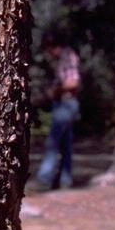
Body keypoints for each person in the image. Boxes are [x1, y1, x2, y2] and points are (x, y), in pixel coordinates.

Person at [30, 31, 80, 190]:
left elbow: (73, 82)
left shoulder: (67, 57)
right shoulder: (64, 58)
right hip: (63, 104)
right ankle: (65, 180)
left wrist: (55, 91)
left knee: (53, 142)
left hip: (66, 104)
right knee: (65, 144)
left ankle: (44, 178)